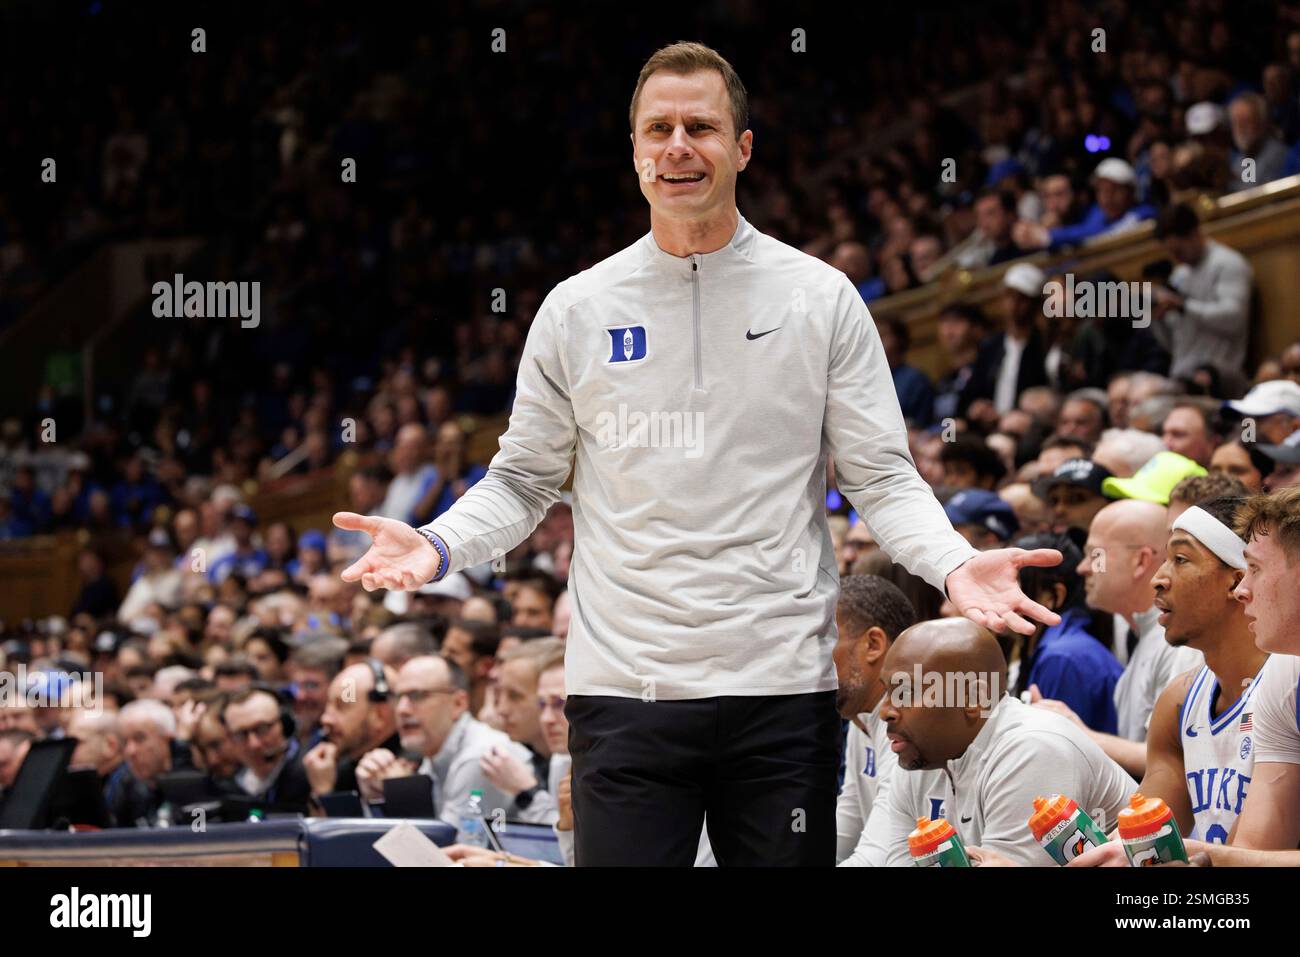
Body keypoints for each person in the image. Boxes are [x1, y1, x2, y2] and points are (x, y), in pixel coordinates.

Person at [333, 42, 1061, 867]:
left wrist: (952, 563)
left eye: (701, 127)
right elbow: (525, 479)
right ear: (636, 151)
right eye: (659, 128)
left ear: (742, 148)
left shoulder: (820, 297)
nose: (679, 145)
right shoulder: (575, 309)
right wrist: (436, 544)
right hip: (624, 695)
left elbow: (881, 474)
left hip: (781, 694)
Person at [1069, 496, 1269, 865]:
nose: (1159, 580)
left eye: (1180, 560)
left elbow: (1251, 854)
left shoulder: (1286, 689)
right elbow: (1131, 845)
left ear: (1237, 580)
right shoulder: (1178, 700)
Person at [855, 618, 1134, 866]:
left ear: (974, 699)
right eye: (888, 690)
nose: (886, 711)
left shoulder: (1032, 748)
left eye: (906, 691)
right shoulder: (922, 755)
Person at [1033, 500, 1202, 778]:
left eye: (1094, 555)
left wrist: (1079, 733)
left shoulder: (1178, 642)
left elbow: (1184, 760)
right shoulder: (1134, 632)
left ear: (1141, 561)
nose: (1083, 568)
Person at [355, 655, 528, 829]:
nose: (402, 709)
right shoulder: (434, 753)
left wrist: (403, 792)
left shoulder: (480, 756)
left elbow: (452, 849)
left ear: (458, 703)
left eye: (417, 696)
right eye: (398, 698)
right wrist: (377, 796)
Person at [832, 575, 915, 866]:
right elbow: (849, 819)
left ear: (873, 644)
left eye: (822, 640)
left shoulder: (909, 724)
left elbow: (879, 856)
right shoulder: (861, 714)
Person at [1011, 533, 1122, 735]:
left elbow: (1056, 755)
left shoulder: (1061, 659)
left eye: (1012, 583)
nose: (997, 592)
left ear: (1053, 596)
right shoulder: (1060, 649)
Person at [1150, 204, 1252, 383]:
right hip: (1181, 373)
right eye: (1171, 252)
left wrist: (1183, 306)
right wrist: (1156, 319)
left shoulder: (1227, 264)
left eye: (1178, 250)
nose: (1176, 258)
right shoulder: (1179, 275)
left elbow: (1234, 319)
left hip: (1219, 376)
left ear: (1195, 233)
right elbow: (1173, 344)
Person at [303, 660, 400, 800]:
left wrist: (325, 793)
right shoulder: (333, 770)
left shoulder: (407, 769)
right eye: (328, 706)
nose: (325, 719)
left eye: (341, 706)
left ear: (379, 715)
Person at [219, 687, 311, 812]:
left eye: (262, 729)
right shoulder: (229, 786)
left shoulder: (309, 774)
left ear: (285, 724)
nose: (254, 744)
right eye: (241, 734)